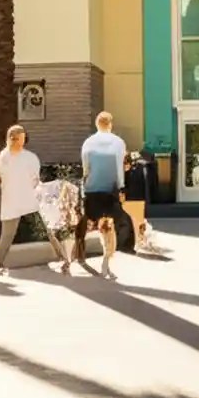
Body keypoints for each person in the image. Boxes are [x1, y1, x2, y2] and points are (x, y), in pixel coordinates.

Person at [0, 125, 42, 275]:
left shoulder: (27, 157)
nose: (15, 140)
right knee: (8, 234)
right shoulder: (5, 156)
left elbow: (35, 181)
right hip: (15, 201)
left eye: (17, 137)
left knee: (45, 228)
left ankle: (62, 256)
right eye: (13, 137)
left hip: (25, 200)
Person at [79, 112, 128, 279]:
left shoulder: (88, 143)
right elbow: (119, 168)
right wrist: (121, 187)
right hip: (110, 189)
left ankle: (78, 256)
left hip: (92, 189)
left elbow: (85, 168)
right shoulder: (118, 142)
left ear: (96, 124)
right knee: (109, 226)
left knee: (90, 224)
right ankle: (106, 261)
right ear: (110, 124)